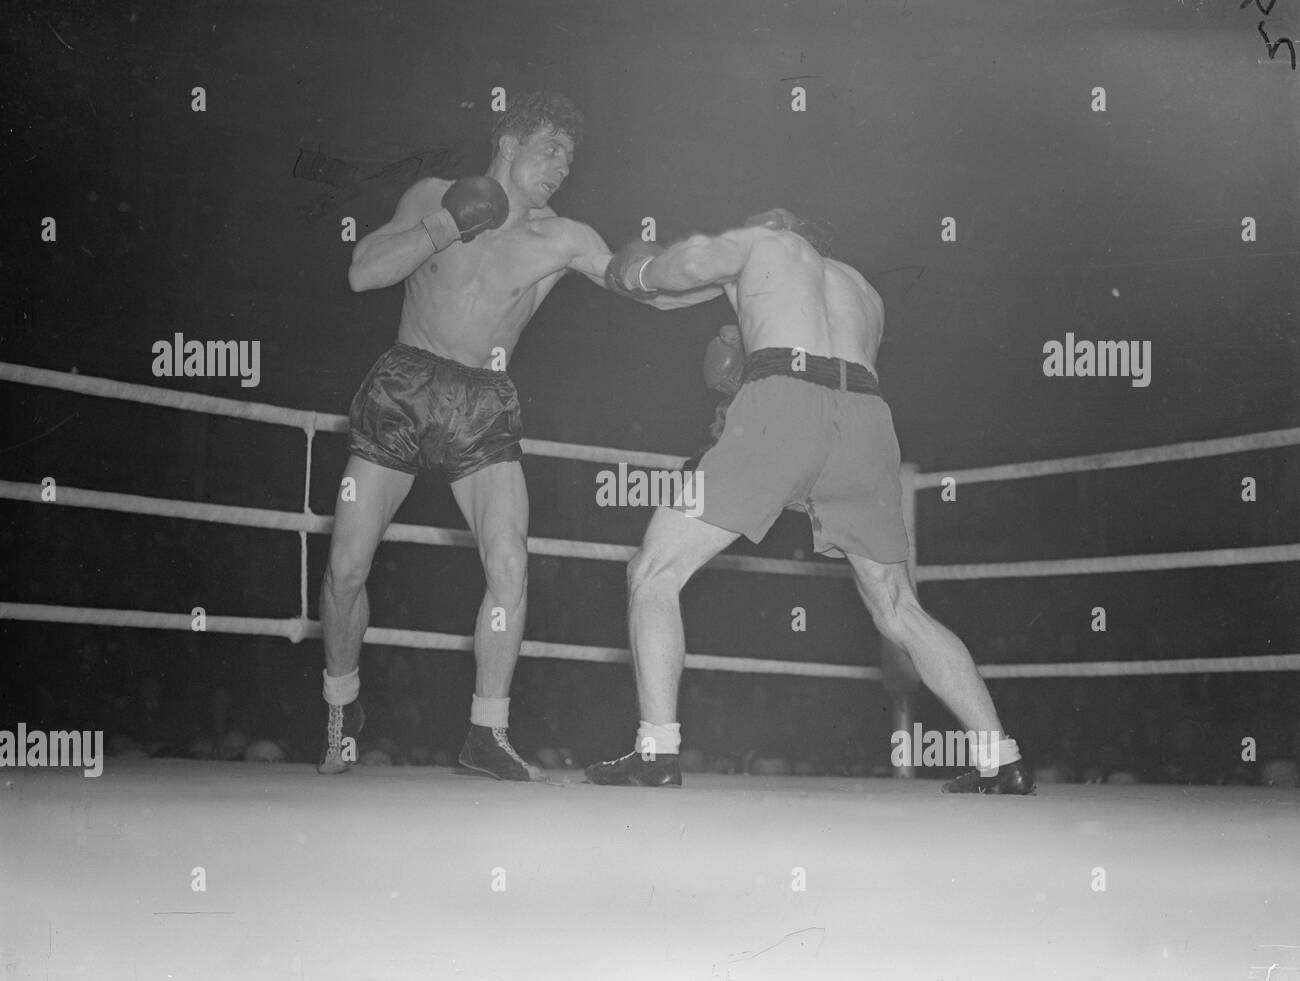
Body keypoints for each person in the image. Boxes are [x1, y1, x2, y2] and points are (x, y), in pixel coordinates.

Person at [318, 91, 717, 778]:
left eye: (570, 157)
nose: (562, 167)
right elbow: (363, 272)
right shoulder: (433, 194)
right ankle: (340, 698)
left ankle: (487, 732)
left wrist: (724, 273)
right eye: (550, 149)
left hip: (482, 399)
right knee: (347, 565)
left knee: (509, 564)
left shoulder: (564, 238)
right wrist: (446, 225)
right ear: (508, 141)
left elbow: (643, 290)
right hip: (405, 382)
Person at [588, 210, 1034, 793]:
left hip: (783, 401)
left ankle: (657, 751)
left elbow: (692, 266)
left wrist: (638, 271)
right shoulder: (861, 287)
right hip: (868, 420)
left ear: (778, 229)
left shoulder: (763, 243)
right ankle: (1000, 757)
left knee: (654, 572)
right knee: (900, 608)